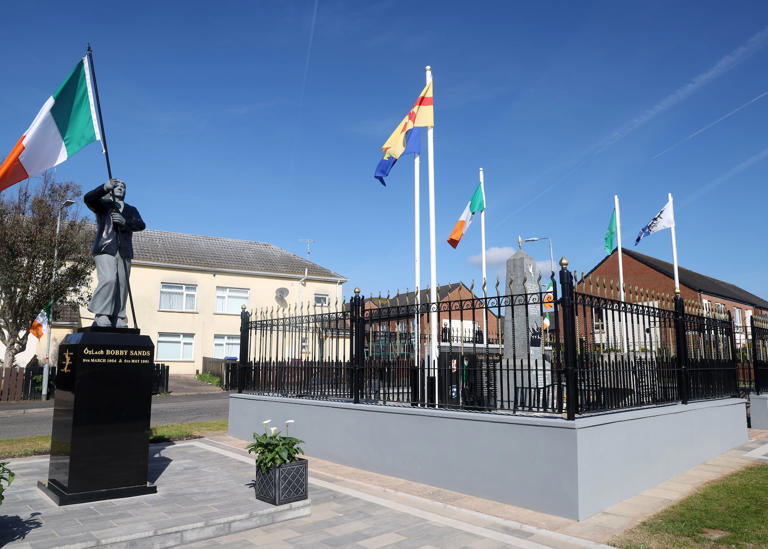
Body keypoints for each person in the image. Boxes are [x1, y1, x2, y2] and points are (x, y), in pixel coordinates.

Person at [84, 178, 145, 327]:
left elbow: (140, 224)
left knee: (122, 285)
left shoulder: (131, 209)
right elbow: (88, 198)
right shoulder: (103, 205)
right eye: (116, 186)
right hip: (106, 247)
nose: (120, 188)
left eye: (123, 186)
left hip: (124, 250)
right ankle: (102, 313)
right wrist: (104, 187)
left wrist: (125, 222)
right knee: (109, 279)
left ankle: (119, 316)